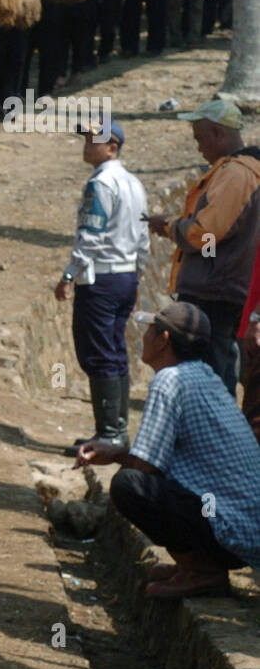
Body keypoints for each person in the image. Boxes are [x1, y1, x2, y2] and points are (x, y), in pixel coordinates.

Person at [77, 303, 260, 598]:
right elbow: (159, 459)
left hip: (231, 533)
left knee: (127, 486)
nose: (144, 336)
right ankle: (194, 566)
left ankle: (202, 572)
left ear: (163, 340)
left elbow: (145, 469)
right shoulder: (205, 375)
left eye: (151, 330)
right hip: (246, 531)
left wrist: (118, 460)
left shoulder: (169, 381)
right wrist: (113, 454)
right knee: (139, 479)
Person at [147, 100, 260, 394]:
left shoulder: (236, 174)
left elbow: (206, 234)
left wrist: (170, 226)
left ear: (218, 133)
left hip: (215, 294)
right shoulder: (241, 171)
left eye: (200, 139)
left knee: (211, 381)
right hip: (223, 289)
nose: (198, 148)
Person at [55, 119, 148, 452]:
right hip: (124, 277)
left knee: (99, 353)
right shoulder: (134, 183)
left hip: (102, 279)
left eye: (96, 140)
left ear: (113, 147)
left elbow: (91, 235)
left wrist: (69, 274)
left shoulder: (101, 184)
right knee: (114, 351)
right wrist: (138, 273)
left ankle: (110, 434)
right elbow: (143, 236)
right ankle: (115, 431)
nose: (87, 145)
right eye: (87, 139)